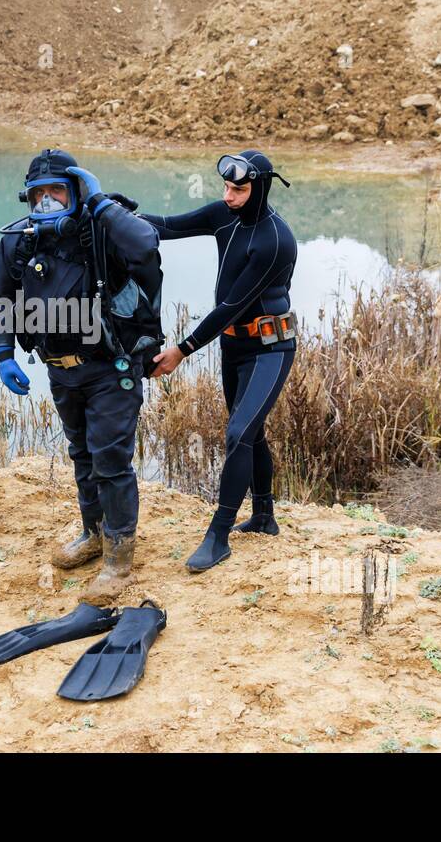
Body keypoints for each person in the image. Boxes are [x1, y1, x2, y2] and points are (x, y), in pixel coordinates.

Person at [0, 149, 163, 602]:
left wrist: (99, 201)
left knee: (110, 459)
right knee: (81, 455)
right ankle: (94, 533)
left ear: (76, 192)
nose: (46, 204)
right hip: (60, 370)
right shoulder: (19, 241)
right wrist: (4, 353)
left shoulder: (103, 229)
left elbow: (145, 247)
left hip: (111, 369)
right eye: (37, 195)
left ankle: (120, 560)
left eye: (57, 193)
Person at [143, 150, 297, 574]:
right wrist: (118, 212)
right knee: (251, 433)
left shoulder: (275, 241)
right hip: (234, 347)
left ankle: (219, 535)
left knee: (238, 433)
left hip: (269, 348)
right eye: (226, 188)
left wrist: (181, 349)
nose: (229, 196)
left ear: (260, 188)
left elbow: (231, 305)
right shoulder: (223, 214)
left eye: (239, 190)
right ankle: (263, 516)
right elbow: (169, 226)